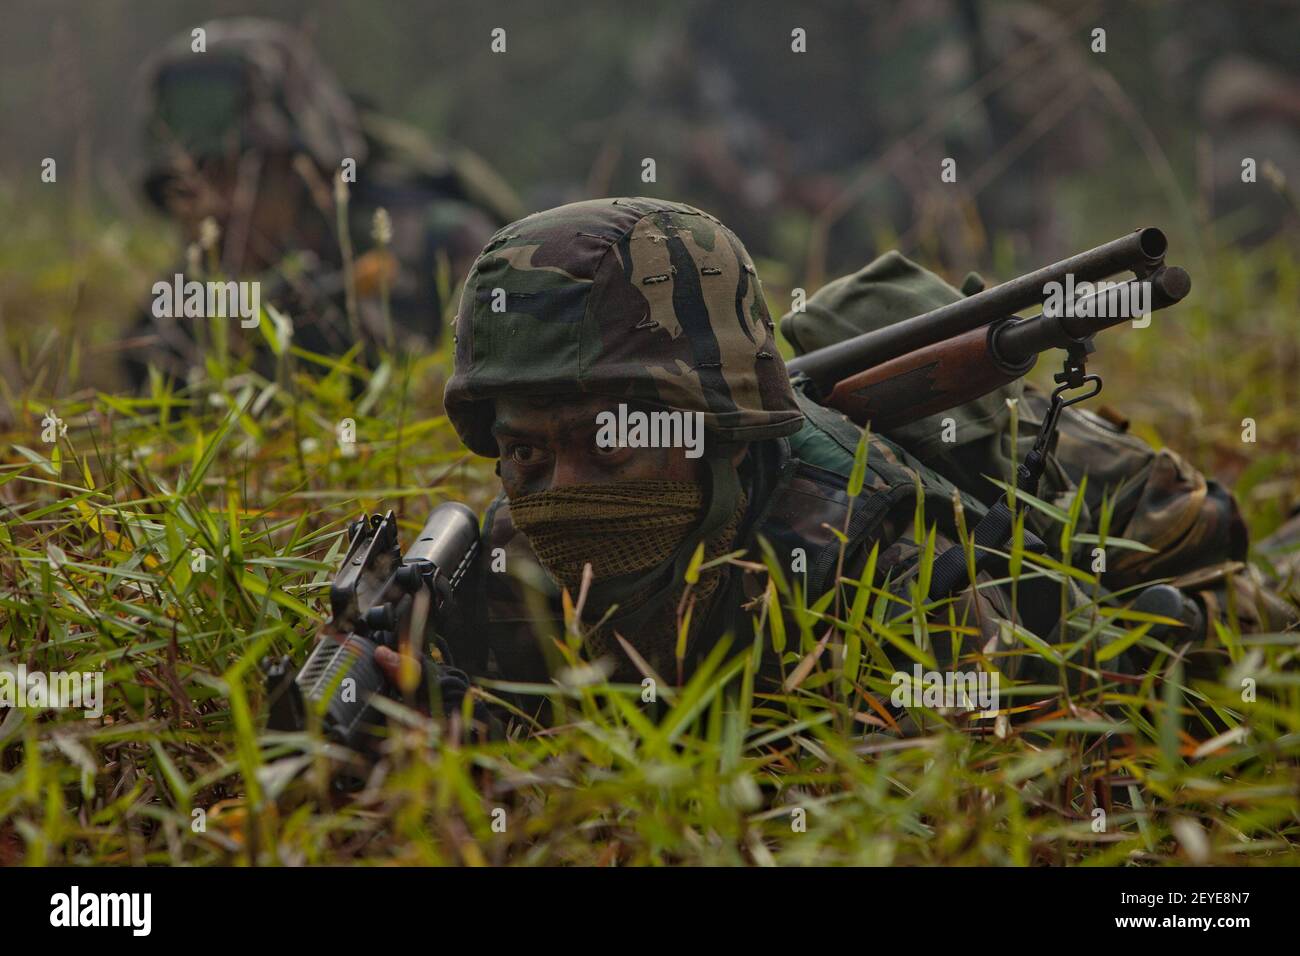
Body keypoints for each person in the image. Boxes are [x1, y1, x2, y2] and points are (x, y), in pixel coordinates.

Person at [374, 196, 1294, 729]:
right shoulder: (488, 572)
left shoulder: (866, 564)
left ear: (723, 434)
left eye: (614, 442)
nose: (562, 490)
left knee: (1223, 573)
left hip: (1061, 495)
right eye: (526, 451)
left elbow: (1046, 730)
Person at [128, 17, 522, 383]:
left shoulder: (435, 240)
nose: (214, 203)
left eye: (242, 172)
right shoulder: (191, 291)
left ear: (304, 169)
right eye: (187, 185)